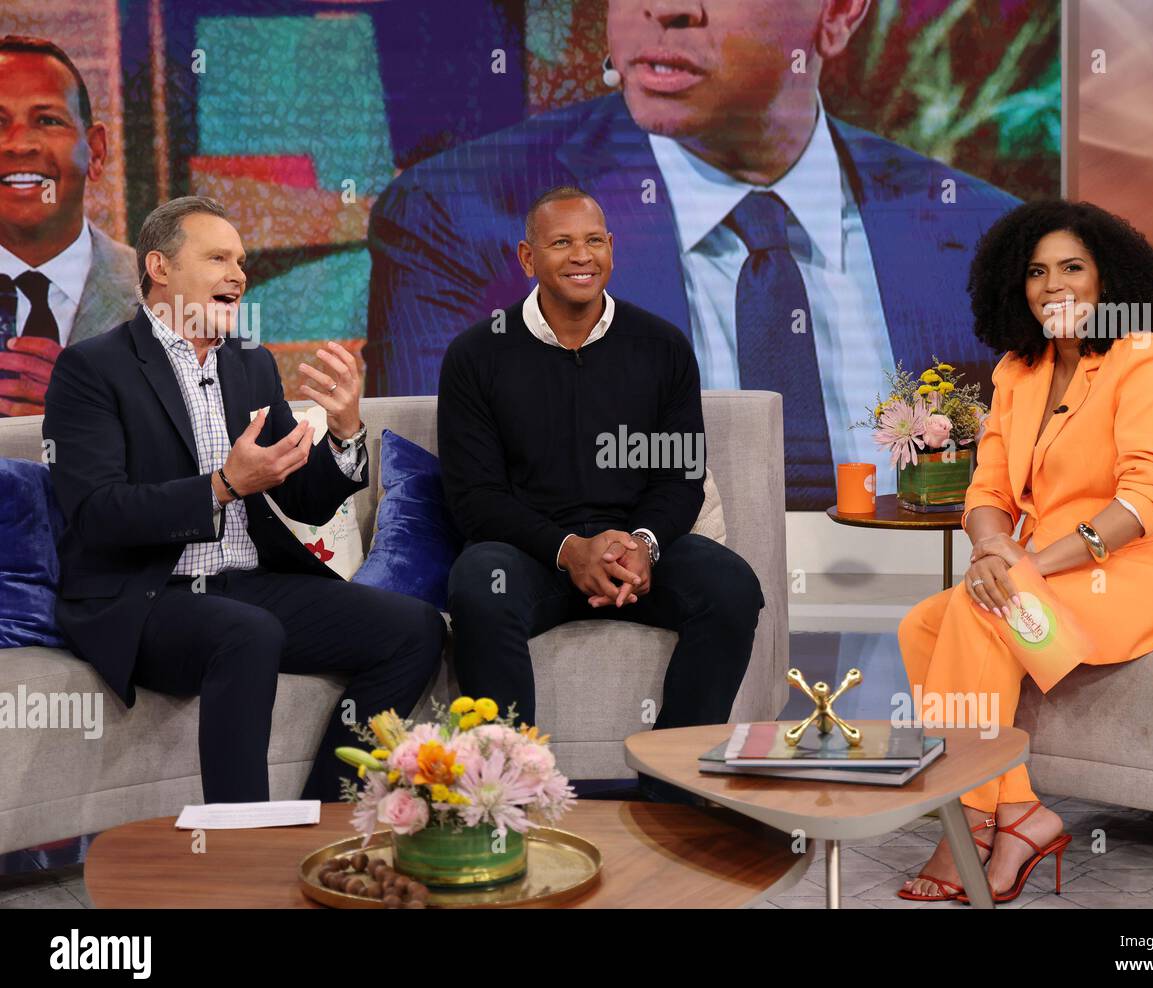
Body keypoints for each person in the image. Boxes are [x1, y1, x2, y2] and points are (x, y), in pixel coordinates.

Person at [366, 0, 1020, 509]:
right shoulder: (461, 217)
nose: (667, 8)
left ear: (840, 12)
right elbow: (437, 509)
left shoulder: (988, 237)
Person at [43, 196, 444, 804]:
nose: (238, 275)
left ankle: (327, 813)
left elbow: (304, 500)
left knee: (414, 628)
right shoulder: (92, 369)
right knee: (247, 633)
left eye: (241, 262)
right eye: (218, 259)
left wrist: (343, 434)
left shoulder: (250, 365)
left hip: (247, 583)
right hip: (147, 595)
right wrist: (222, 486)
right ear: (159, 267)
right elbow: (98, 514)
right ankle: (240, 842)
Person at [894, 200, 1153, 903]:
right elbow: (988, 489)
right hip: (1049, 562)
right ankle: (1018, 809)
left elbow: (1147, 497)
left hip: (1148, 565)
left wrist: (1024, 567)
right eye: (1037, 272)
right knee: (921, 622)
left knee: (983, 612)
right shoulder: (1019, 370)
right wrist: (992, 548)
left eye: (1072, 267)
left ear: (1109, 277)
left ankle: (969, 820)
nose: (1054, 286)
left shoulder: (1150, 357)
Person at [438, 186, 765, 801]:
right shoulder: (477, 355)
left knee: (731, 586)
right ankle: (506, 797)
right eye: (561, 242)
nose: (581, 256)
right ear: (527, 258)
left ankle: (675, 791)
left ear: (612, 248)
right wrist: (569, 549)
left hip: (636, 551)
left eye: (594, 240)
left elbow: (680, 478)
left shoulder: (662, 346)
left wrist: (642, 544)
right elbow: (476, 498)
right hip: (532, 554)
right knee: (480, 583)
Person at [0, 35, 137, 417]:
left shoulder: (174, 304)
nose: (19, 145)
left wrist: (90, 423)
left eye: (47, 120)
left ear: (95, 152)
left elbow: (219, 444)